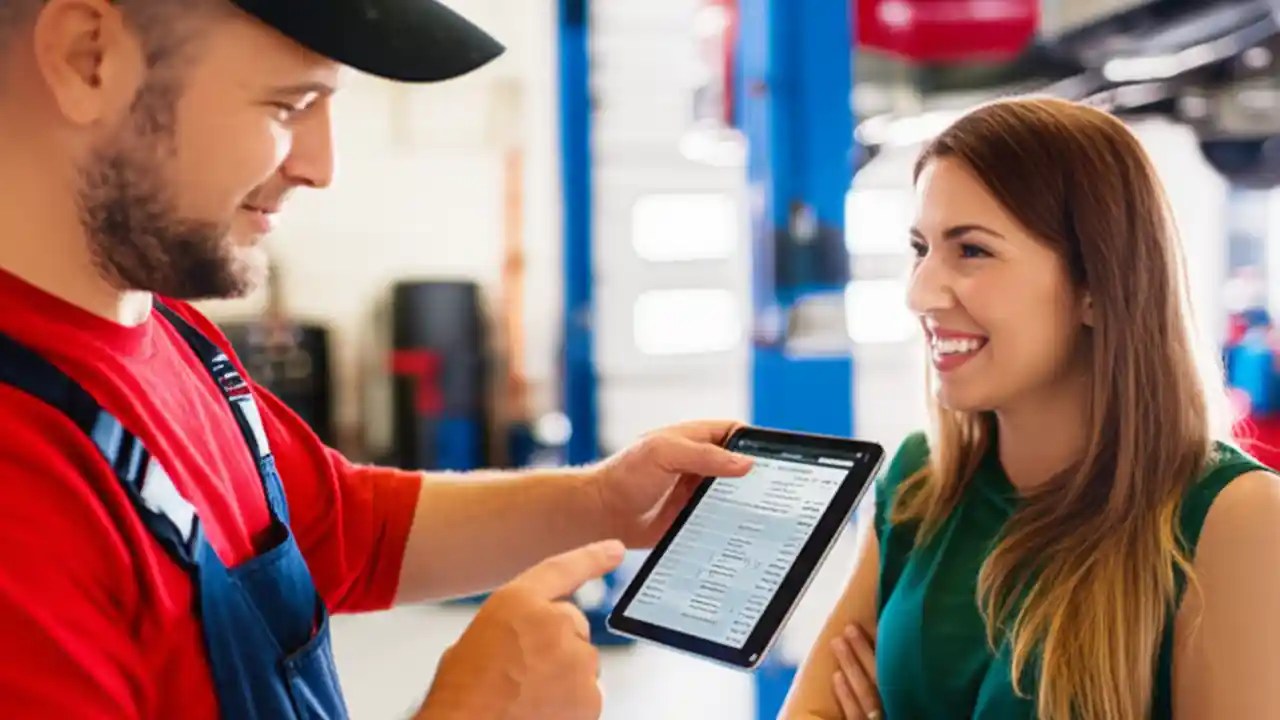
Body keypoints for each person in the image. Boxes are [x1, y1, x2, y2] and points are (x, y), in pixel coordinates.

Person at [0, 1, 755, 719]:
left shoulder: (170, 337)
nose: (321, 166)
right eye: (287, 106)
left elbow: (346, 529)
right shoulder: (21, 475)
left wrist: (603, 505)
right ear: (86, 57)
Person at [779, 97, 1280, 720]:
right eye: (921, 249)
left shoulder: (1233, 516)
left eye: (972, 251)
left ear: (1097, 285)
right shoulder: (920, 486)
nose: (920, 293)